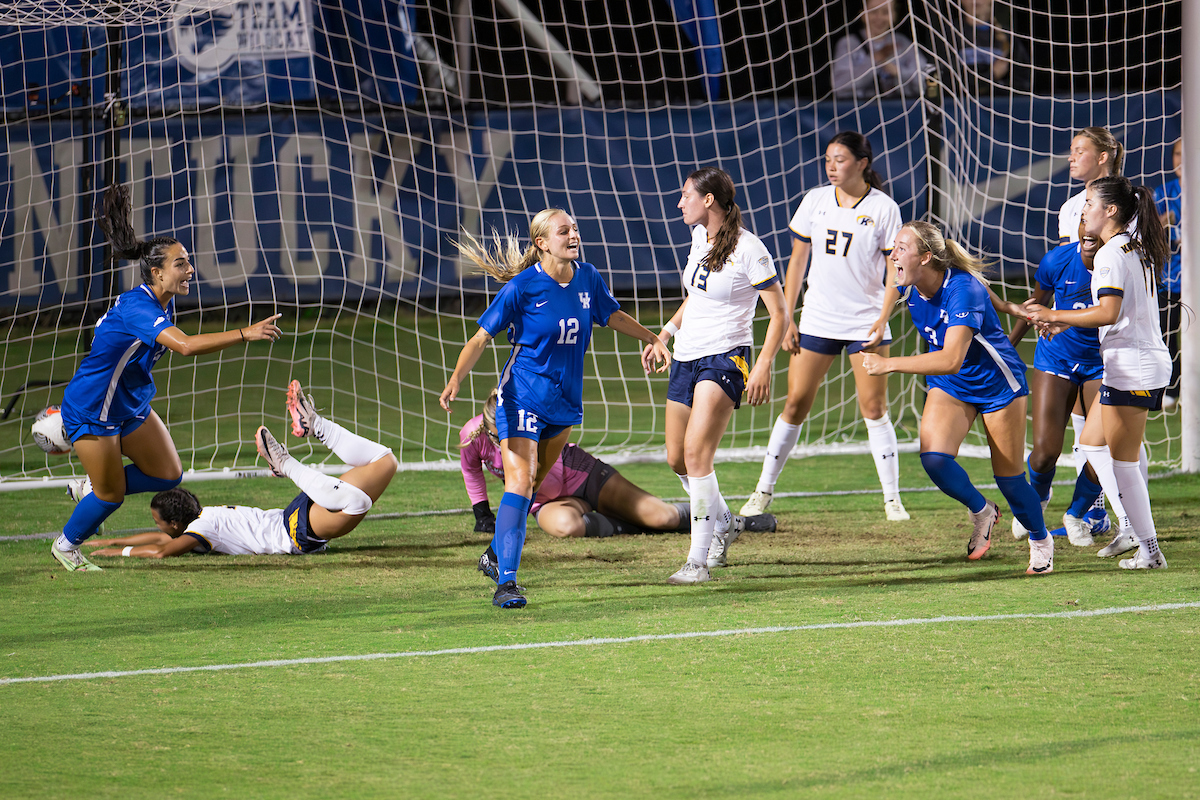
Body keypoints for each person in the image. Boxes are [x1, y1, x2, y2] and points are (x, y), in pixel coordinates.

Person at [440, 209, 671, 609]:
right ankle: (506, 583)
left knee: (531, 486)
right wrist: (456, 378)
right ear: (542, 243)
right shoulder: (522, 287)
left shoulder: (588, 278)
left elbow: (612, 314)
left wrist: (653, 337)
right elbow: (480, 338)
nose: (573, 235)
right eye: (564, 231)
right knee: (520, 482)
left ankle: (494, 554)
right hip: (521, 396)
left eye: (575, 228)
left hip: (563, 402)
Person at [50, 183, 283, 572]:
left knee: (167, 473)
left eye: (188, 261)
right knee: (111, 497)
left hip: (127, 401)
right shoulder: (139, 309)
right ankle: (66, 545)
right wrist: (245, 333)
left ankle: (93, 484)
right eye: (181, 263)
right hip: (94, 407)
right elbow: (186, 346)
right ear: (156, 272)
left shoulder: (157, 303)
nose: (190, 269)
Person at [862, 221, 1055, 575]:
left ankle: (1041, 541)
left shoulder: (961, 289)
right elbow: (897, 284)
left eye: (901, 248)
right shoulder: (913, 281)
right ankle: (983, 511)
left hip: (997, 383)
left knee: (1010, 480)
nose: (893, 255)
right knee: (935, 459)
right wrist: (882, 318)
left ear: (926, 257)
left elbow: (951, 357)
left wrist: (888, 364)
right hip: (952, 383)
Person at [741, 131, 909, 523]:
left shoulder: (884, 208)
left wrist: (883, 317)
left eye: (840, 159)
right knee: (795, 404)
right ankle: (762, 491)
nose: (832, 166)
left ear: (862, 163)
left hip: (865, 323)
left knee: (874, 408)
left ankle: (892, 499)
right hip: (817, 319)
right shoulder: (815, 200)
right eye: (828, 159)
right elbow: (797, 262)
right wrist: (788, 317)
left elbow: (895, 270)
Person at [1026, 176, 1173, 570]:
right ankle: (1130, 528)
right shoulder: (1133, 245)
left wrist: (1056, 315)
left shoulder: (1109, 253)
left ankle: (1148, 549)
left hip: (1132, 367)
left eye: (1090, 202)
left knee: (1124, 464)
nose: (1084, 208)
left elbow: (1108, 312)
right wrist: (1062, 320)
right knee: (1092, 444)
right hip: (1132, 363)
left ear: (1110, 210)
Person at [655, 166, 789, 585]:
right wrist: (665, 333)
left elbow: (780, 313)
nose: (680, 203)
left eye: (686, 195)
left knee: (697, 454)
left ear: (708, 199)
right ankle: (725, 521)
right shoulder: (699, 237)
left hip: (726, 358)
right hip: (686, 355)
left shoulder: (750, 249)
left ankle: (697, 563)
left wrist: (763, 364)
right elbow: (695, 297)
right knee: (676, 458)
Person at [85, 381, 399, 558]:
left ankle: (286, 463)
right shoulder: (205, 516)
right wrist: (107, 541)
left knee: (359, 500)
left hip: (294, 531)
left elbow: (161, 551)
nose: (157, 527)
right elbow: (159, 538)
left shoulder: (201, 531)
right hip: (295, 517)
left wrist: (117, 552)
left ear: (176, 523)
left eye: (159, 522)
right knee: (386, 461)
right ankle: (316, 426)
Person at [460, 390, 777, 550]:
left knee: (663, 517)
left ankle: (738, 522)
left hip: (584, 476)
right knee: (565, 526)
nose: (506, 438)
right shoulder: (473, 436)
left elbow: (548, 461)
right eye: (498, 435)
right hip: (550, 501)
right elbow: (471, 469)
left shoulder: (530, 425)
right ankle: (632, 523)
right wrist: (481, 512)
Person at [991, 220, 1134, 552]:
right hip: (1056, 358)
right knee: (1044, 454)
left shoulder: (1120, 263)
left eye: (1094, 223)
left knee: (1102, 450)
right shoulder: (1056, 260)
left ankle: (1075, 515)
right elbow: (1035, 306)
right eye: (1083, 221)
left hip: (1103, 363)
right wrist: (1006, 350)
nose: (1088, 230)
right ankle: (1037, 499)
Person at [1052, 125, 1128, 535]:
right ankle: (1097, 513)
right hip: (1081, 327)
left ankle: (1128, 518)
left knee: (1121, 431)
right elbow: (1070, 267)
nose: (1071, 156)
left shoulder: (1127, 203)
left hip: (1115, 325)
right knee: (1086, 425)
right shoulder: (1070, 208)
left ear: (1103, 157)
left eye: (1079, 150)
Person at [832, 0, 928, 101]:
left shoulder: (903, 43)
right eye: (873, 12)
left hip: (896, 107)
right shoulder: (849, 44)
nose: (879, 18)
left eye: (885, 12)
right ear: (863, 15)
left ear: (894, 15)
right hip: (856, 108)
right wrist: (874, 61)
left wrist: (896, 72)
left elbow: (925, 81)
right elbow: (839, 85)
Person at [1154, 137, 1183, 411]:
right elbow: (1149, 232)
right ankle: (1172, 389)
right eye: (1176, 154)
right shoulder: (1164, 192)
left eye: (1186, 154)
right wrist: (1166, 221)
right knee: (1167, 334)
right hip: (1172, 278)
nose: (1180, 160)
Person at [951, 0, 1030, 94]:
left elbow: (1023, 81)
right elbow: (948, 80)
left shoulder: (1007, 37)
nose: (975, 1)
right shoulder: (950, 33)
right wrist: (992, 75)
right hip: (960, 101)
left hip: (1000, 101)